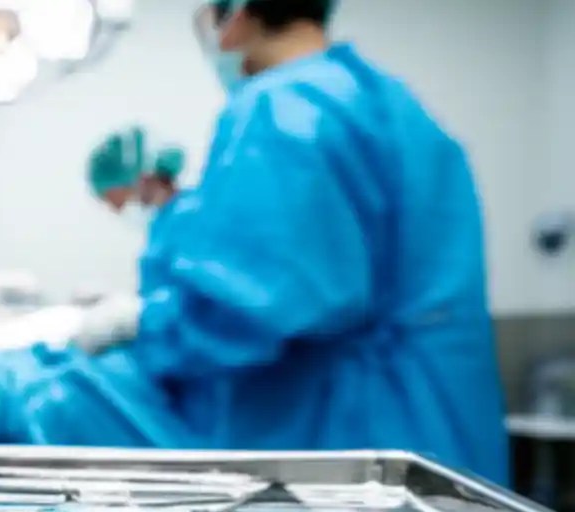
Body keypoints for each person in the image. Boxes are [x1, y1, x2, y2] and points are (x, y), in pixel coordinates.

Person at [76, 0, 509, 484]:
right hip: (438, 429)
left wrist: (143, 324)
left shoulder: (280, 108)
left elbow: (251, 307)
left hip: (351, 437)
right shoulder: (393, 105)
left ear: (237, 18)